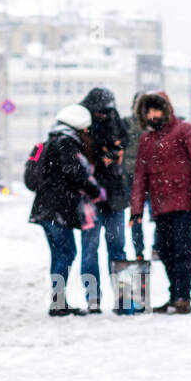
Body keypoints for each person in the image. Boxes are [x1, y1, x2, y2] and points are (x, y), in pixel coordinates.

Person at [128, 92, 191, 314]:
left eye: (156, 110)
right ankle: (176, 294)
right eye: (149, 111)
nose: (153, 115)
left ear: (166, 110)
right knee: (165, 251)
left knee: (182, 251)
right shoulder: (147, 140)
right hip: (161, 205)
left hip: (186, 203)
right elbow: (140, 177)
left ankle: (183, 296)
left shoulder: (184, 130)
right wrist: (136, 210)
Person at [28, 104, 103, 317]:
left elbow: (29, 179)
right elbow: (75, 173)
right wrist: (94, 190)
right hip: (57, 210)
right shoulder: (66, 144)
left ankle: (58, 299)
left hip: (44, 210)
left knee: (59, 253)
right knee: (67, 252)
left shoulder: (42, 144)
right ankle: (58, 301)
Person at [77, 87, 129, 313]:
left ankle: (125, 300)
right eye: (100, 111)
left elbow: (123, 144)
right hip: (92, 195)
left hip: (114, 195)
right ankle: (94, 299)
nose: (104, 115)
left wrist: (110, 155)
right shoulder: (81, 126)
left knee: (116, 248)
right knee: (91, 249)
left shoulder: (115, 123)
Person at [122, 92, 150, 259]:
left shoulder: (127, 124)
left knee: (138, 215)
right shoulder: (127, 124)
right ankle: (140, 251)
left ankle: (144, 250)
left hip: (145, 175)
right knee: (137, 215)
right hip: (136, 175)